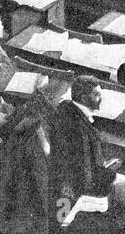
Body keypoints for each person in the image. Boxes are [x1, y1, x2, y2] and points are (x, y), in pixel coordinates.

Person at [49, 75, 119, 204]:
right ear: (84, 98)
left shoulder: (67, 107)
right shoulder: (79, 128)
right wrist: (110, 172)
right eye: (97, 95)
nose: (101, 99)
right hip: (78, 192)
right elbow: (85, 175)